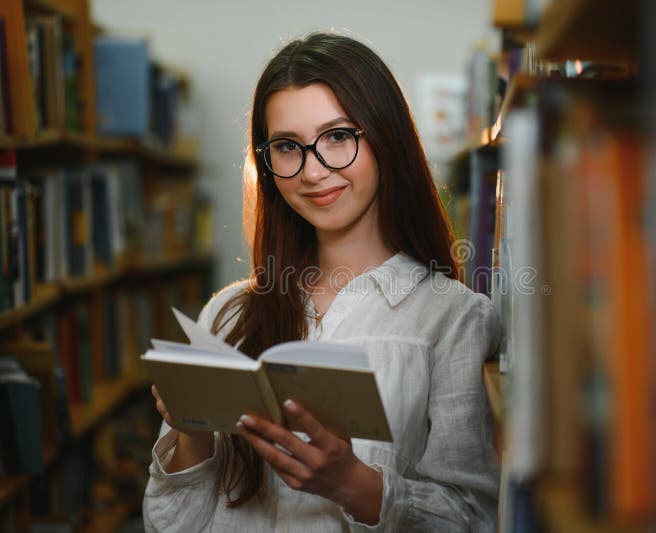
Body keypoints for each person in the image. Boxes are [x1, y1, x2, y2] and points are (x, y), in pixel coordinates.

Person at [143, 32, 501, 532]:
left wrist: (352, 484)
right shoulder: (226, 314)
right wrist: (192, 433)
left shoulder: (452, 316)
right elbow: (168, 524)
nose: (312, 171)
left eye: (337, 136)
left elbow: (475, 519)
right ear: (266, 164)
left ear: (385, 138)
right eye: (287, 147)